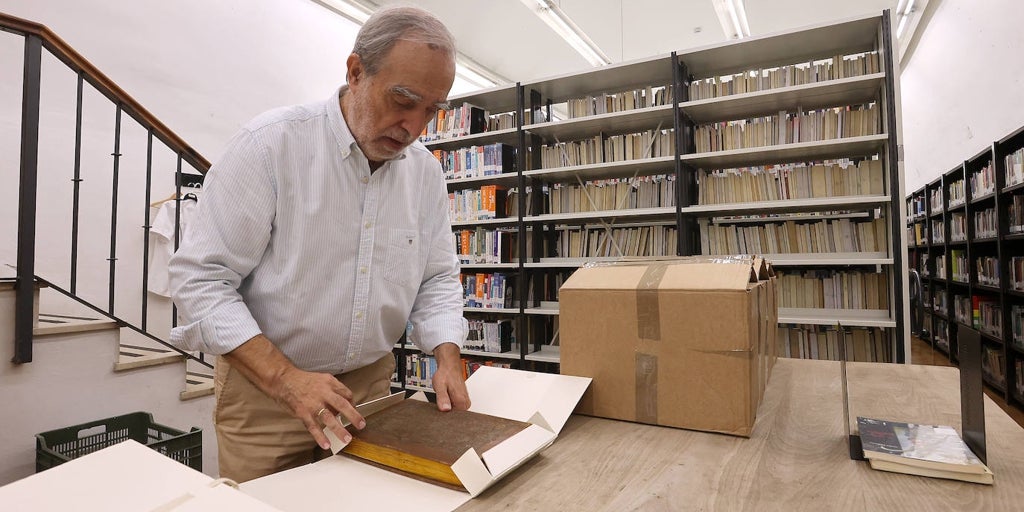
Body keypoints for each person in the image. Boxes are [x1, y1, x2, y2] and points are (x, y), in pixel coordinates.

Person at [168, 6, 469, 483]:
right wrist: (286, 381)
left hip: (370, 388)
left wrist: (447, 356)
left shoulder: (425, 174)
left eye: (432, 110)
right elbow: (201, 280)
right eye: (402, 100)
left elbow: (434, 277)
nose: (414, 127)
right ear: (355, 72)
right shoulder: (269, 146)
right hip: (268, 394)